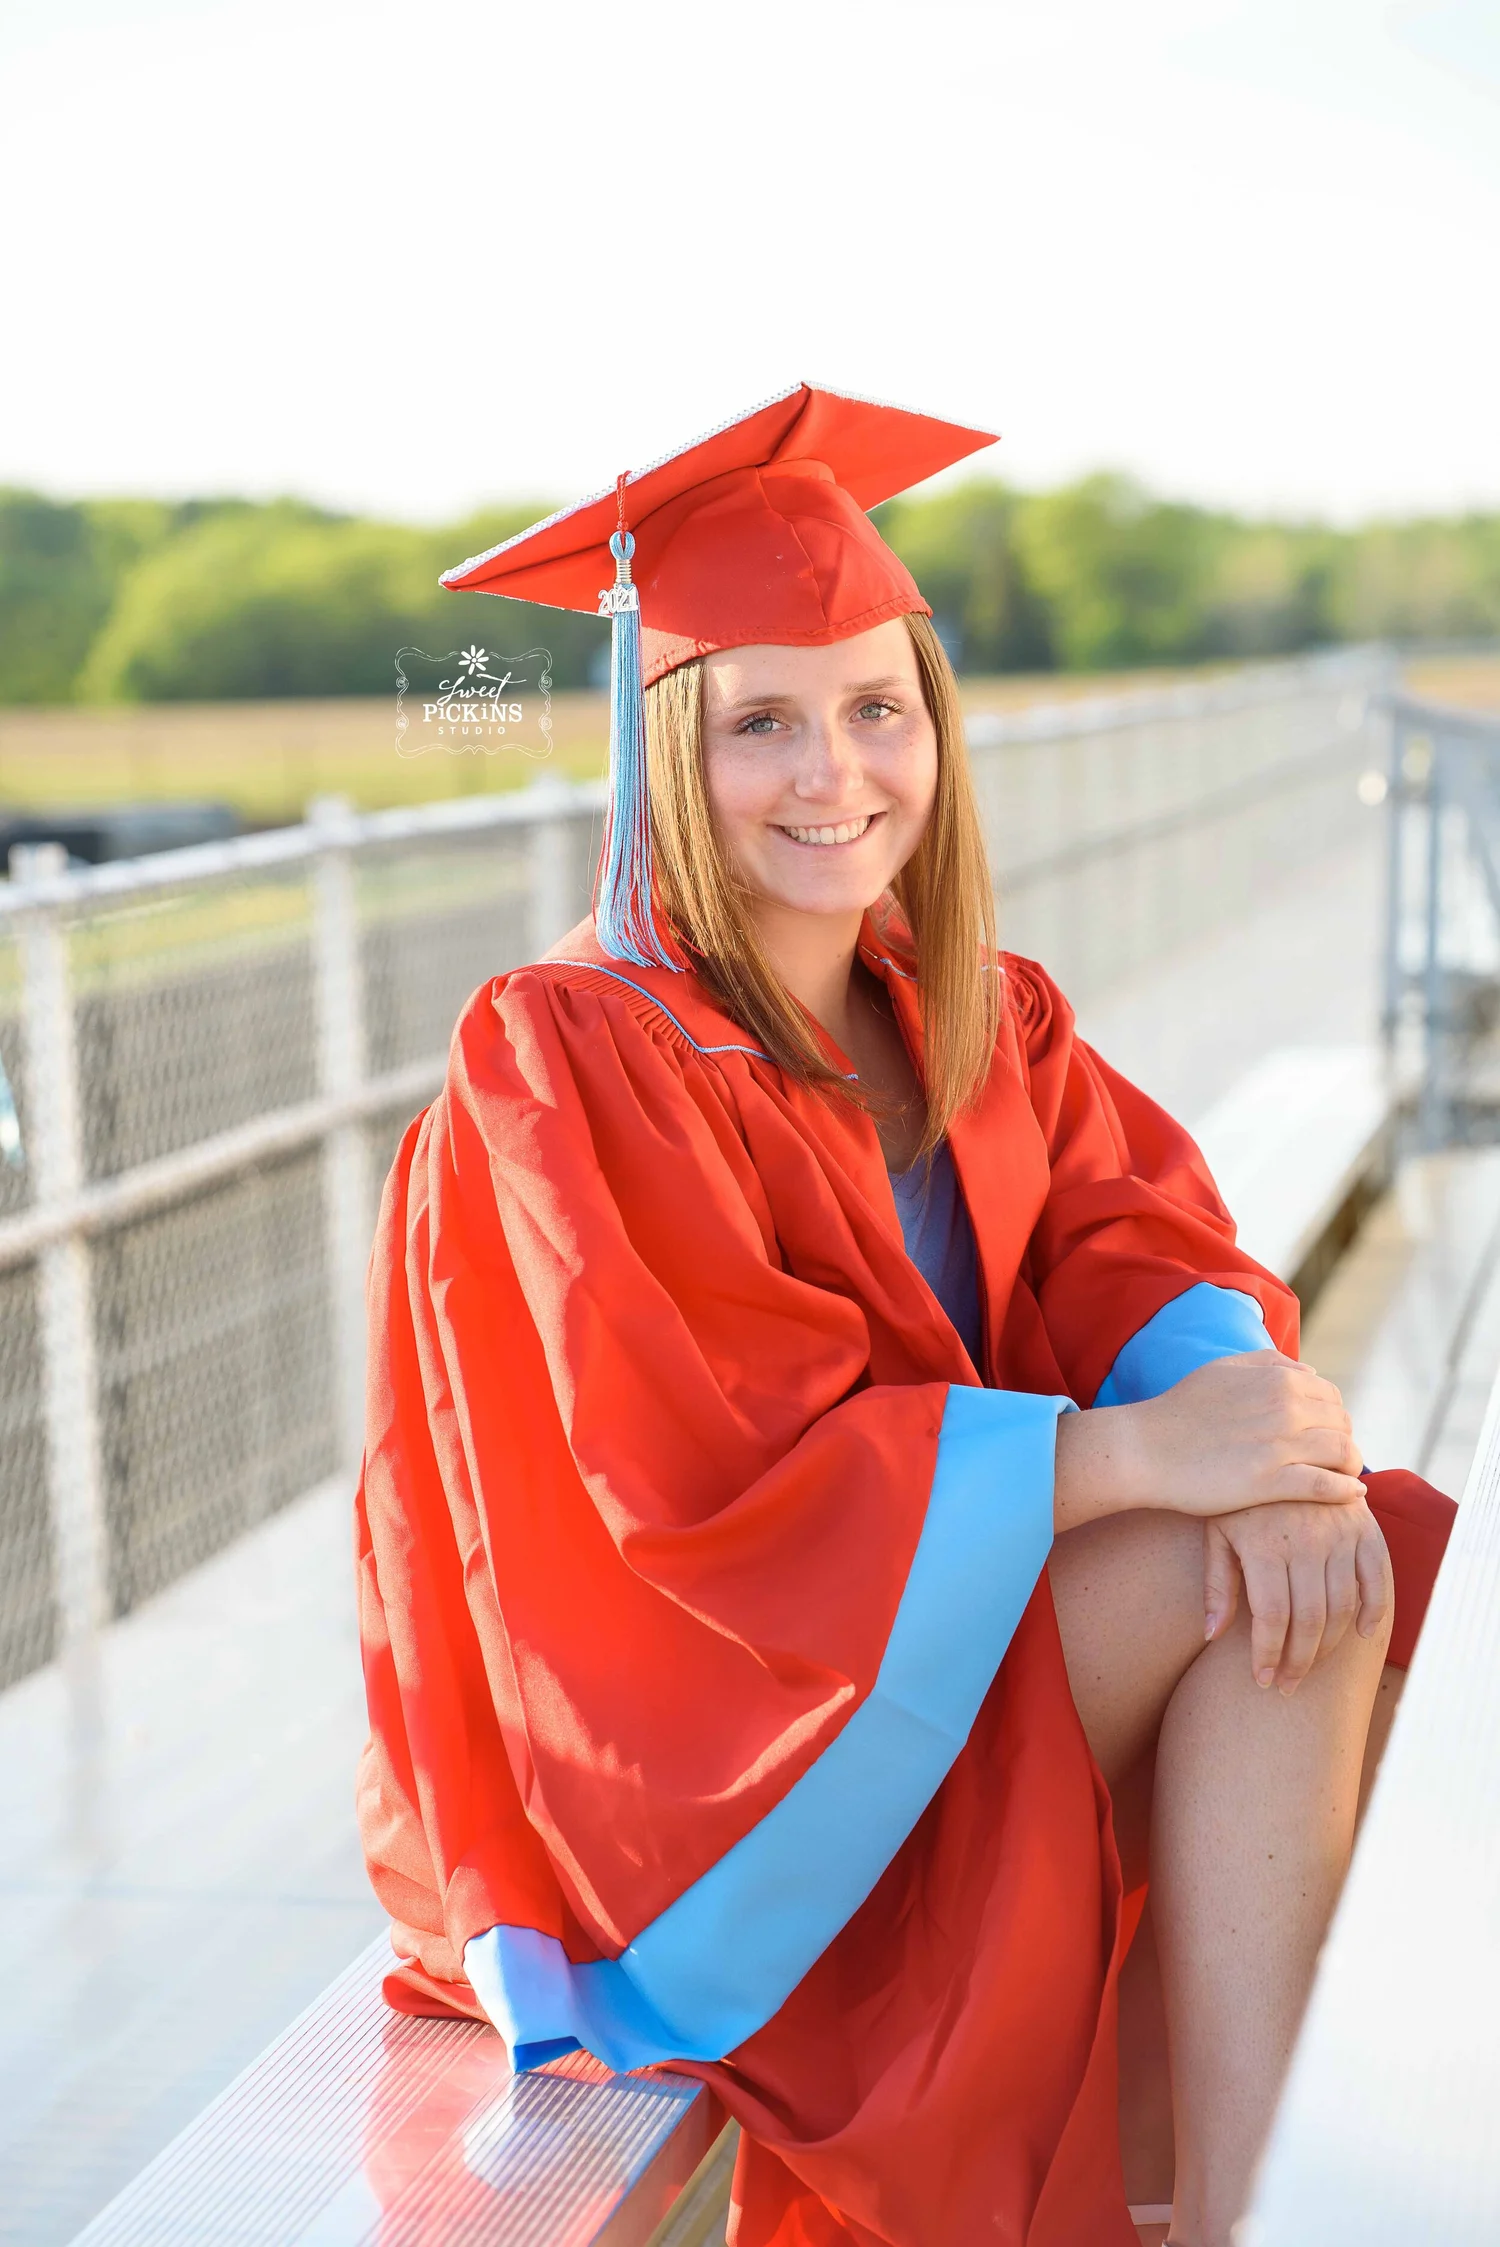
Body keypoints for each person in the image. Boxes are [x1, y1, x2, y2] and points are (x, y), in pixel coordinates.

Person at [355, 385, 1455, 2247]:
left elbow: (1137, 1239)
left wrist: (1255, 1434)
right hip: (695, 1774)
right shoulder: (570, 1051)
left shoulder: (966, 1011)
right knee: (1237, 1576)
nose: (832, 771)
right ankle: (1259, 2200)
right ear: (665, 749)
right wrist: (1132, 1460)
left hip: (913, 1683)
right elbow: (696, 1478)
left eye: (878, 708)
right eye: (762, 721)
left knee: (1316, 1541)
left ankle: (1253, 2199)